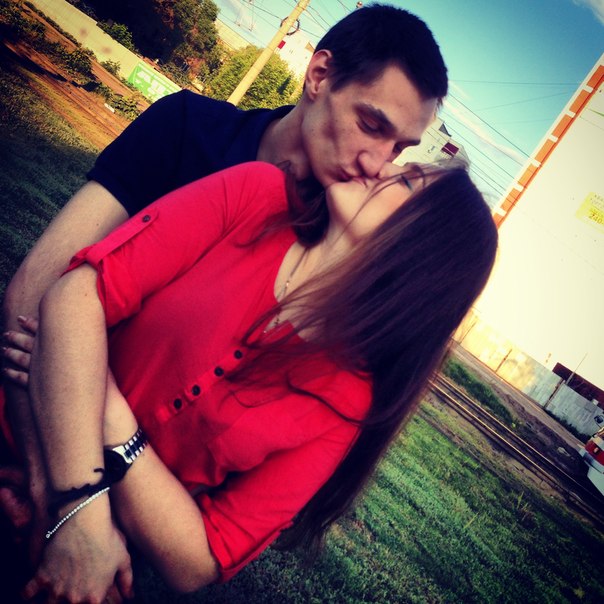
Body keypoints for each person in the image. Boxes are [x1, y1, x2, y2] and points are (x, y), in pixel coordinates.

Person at [1, 157, 498, 602]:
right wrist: (80, 519)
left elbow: (199, 558)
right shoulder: (255, 197)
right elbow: (74, 300)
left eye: (406, 182)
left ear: (421, 252)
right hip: (22, 444)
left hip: (94, 573)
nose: (381, 165)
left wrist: (103, 398)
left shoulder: (347, 402)